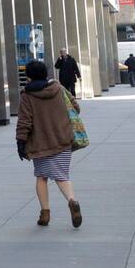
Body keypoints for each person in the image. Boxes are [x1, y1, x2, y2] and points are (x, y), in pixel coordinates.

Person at [16, 59, 82, 228]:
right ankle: (71, 201)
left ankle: (46, 213)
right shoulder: (58, 88)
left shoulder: (27, 96)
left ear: (28, 76)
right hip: (63, 139)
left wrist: (21, 142)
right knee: (62, 174)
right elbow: (75, 107)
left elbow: (25, 121)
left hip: (41, 144)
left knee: (42, 176)